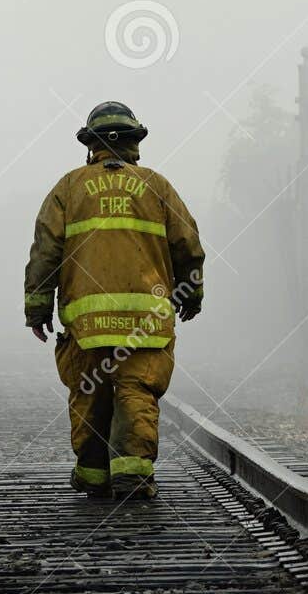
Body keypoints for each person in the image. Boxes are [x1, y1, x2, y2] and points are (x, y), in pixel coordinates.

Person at [23, 101, 204, 499]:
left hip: (87, 325)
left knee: (90, 393)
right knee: (135, 391)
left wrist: (38, 307)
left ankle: (92, 476)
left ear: (92, 145)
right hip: (146, 324)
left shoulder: (69, 187)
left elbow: (46, 250)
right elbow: (187, 245)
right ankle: (133, 477)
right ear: (135, 143)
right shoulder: (158, 187)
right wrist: (190, 293)